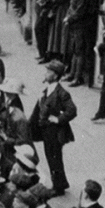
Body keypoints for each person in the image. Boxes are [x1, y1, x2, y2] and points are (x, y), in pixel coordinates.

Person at [27, 60, 77, 197]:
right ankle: (58, 183)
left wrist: (57, 119)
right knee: (51, 157)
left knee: (54, 158)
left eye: (49, 72)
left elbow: (72, 110)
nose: (46, 74)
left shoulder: (62, 93)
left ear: (55, 76)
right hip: (46, 131)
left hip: (55, 132)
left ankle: (59, 186)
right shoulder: (47, 90)